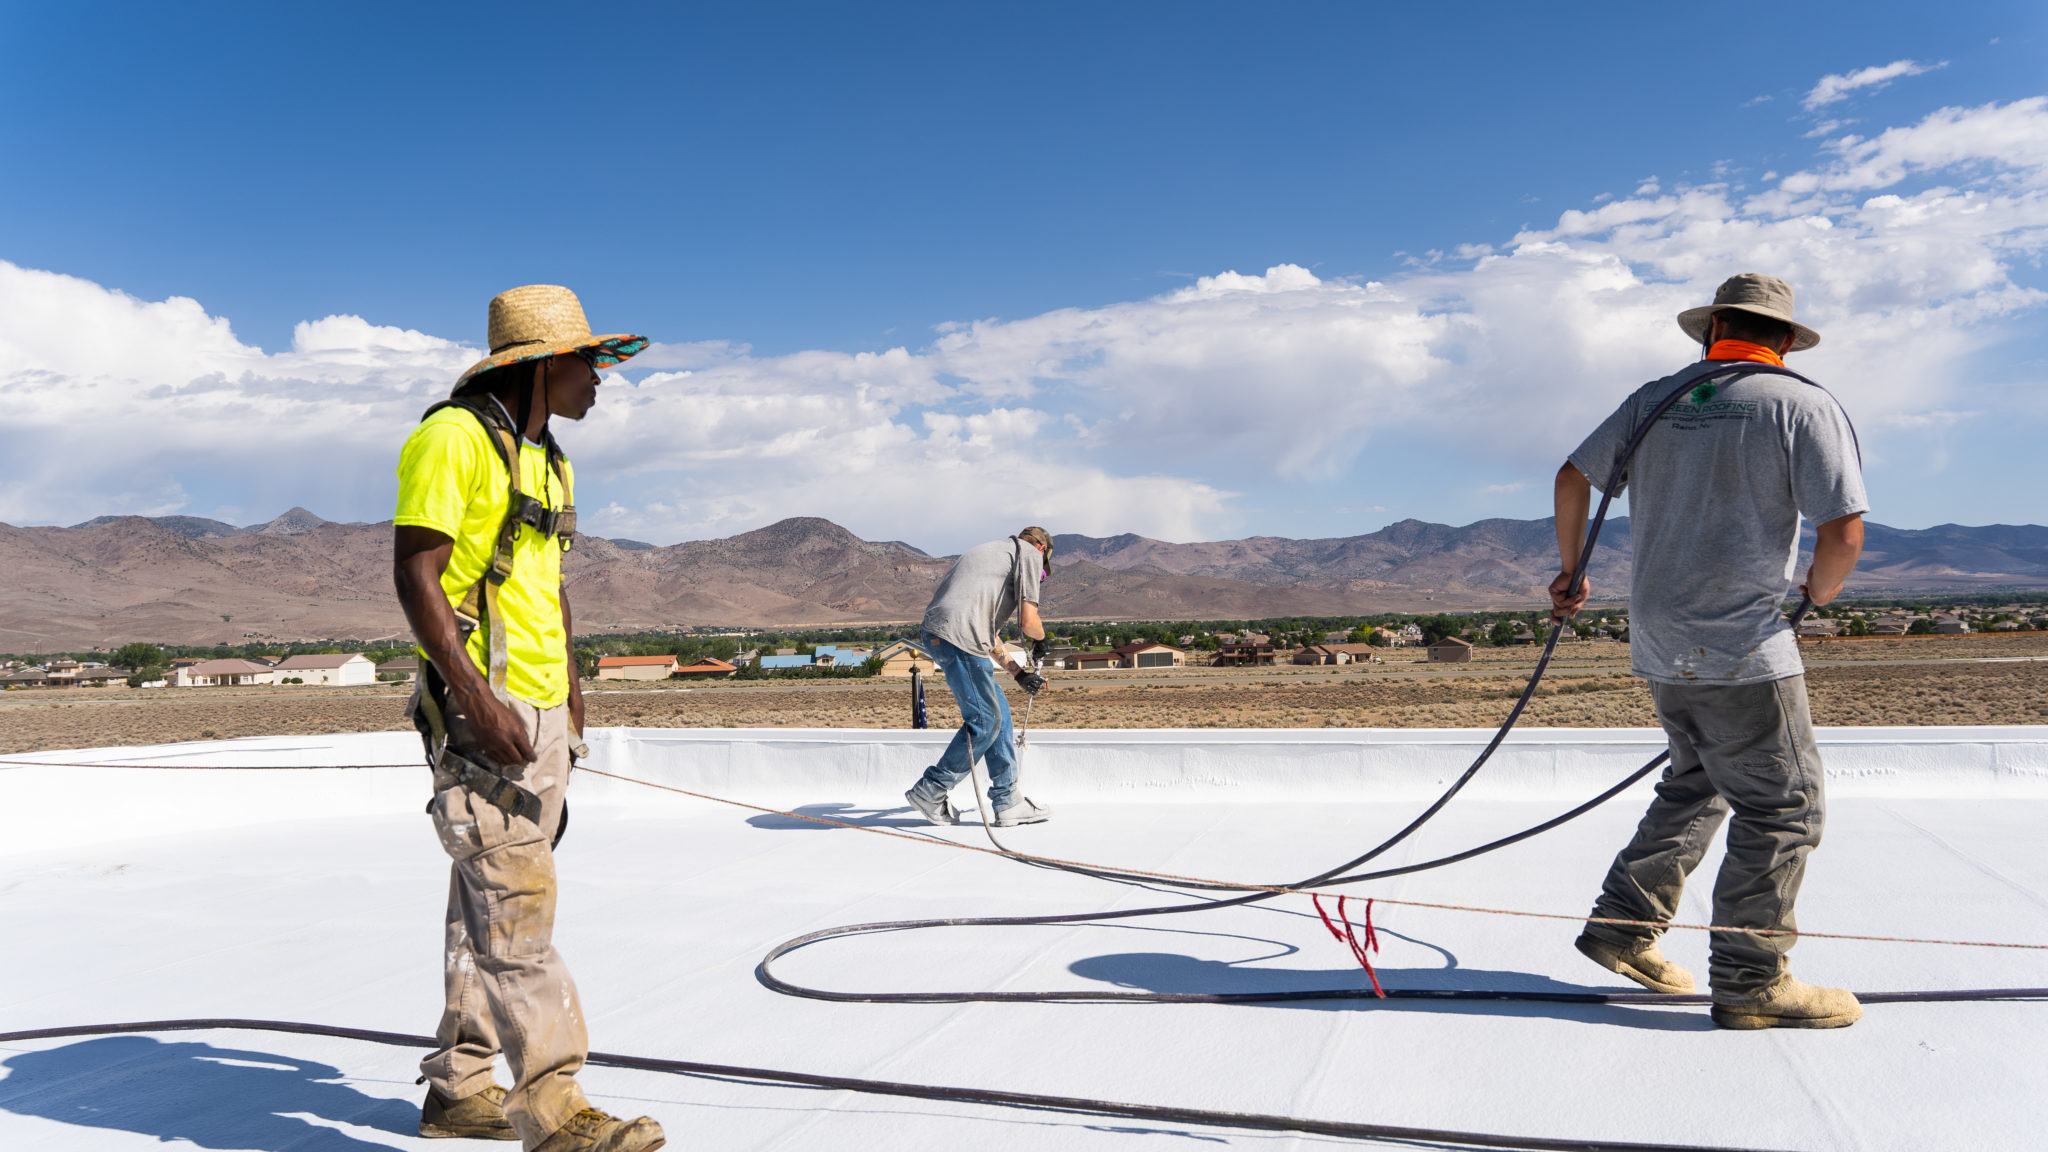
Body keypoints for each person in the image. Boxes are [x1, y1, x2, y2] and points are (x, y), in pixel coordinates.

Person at [1551, 273, 1868, 1030]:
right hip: (1743, 647)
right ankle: (1753, 981)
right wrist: (1819, 595)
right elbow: (1844, 532)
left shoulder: (1655, 399)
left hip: (1662, 640)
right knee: (1785, 806)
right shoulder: (1802, 404)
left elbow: (1572, 477)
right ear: (1786, 339)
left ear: (1709, 330)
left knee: (1698, 781)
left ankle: (1624, 927)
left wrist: (1570, 574)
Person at [393, 284, 666, 1151]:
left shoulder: (546, 457)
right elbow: (416, 576)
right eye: (589, 362)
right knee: (519, 907)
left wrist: (573, 701)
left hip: (543, 713)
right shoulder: (453, 439)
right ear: (541, 366)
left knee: (489, 904)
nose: (601, 380)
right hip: (487, 714)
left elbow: (548, 587)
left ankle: (459, 1088)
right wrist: (475, 699)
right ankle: (555, 1112)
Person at [904, 527, 1056, 827]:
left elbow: (988, 636)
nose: (1040, 574)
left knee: (997, 714)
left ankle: (1007, 800)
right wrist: (1041, 639)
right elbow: (1028, 622)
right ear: (1041, 549)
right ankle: (931, 790)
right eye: (1043, 568)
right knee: (985, 722)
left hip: (944, 633)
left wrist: (1019, 673)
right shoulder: (1028, 553)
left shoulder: (991, 552)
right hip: (960, 637)